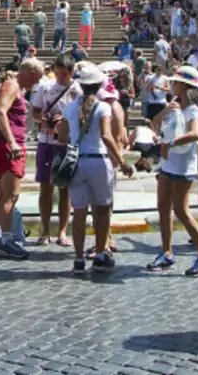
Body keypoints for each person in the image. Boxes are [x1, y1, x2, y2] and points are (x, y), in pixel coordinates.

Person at [56, 63, 134, 275]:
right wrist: (122, 161)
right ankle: (100, 254)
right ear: (99, 84)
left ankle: (79, 259)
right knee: (102, 210)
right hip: (98, 160)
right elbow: (107, 137)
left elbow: (62, 138)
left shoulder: (70, 108)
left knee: (79, 211)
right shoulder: (102, 107)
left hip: (77, 161)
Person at [147, 65, 198, 276]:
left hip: (182, 164)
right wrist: (166, 111)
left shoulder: (192, 109)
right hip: (168, 163)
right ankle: (166, 251)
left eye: (175, 82)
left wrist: (171, 142)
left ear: (185, 86)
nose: (172, 85)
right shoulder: (175, 105)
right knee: (163, 207)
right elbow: (154, 123)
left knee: (181, 211)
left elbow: (195, 134)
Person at [0, 59, 43, 260]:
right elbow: (0, 111)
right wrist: (12, 142)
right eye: (36, 78)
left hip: (7, 144)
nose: (36, 84)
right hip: (9, 145)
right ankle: (6, 241)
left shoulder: (16, 87)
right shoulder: (12, 86)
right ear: (30, 73)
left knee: (3, 192)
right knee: (11, 195)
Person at [31, 54, 78, 247]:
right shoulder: (45, 88)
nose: (60, 78)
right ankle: (44, 230)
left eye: (64, 74)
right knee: (45, 187)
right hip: (46, 141)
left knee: (65, 188)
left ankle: (62, 231)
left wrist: (64, 122)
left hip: (65, 144)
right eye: (57, 74)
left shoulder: (77, 90)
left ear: (72, 72)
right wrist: (44, 120)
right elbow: (34, 111)